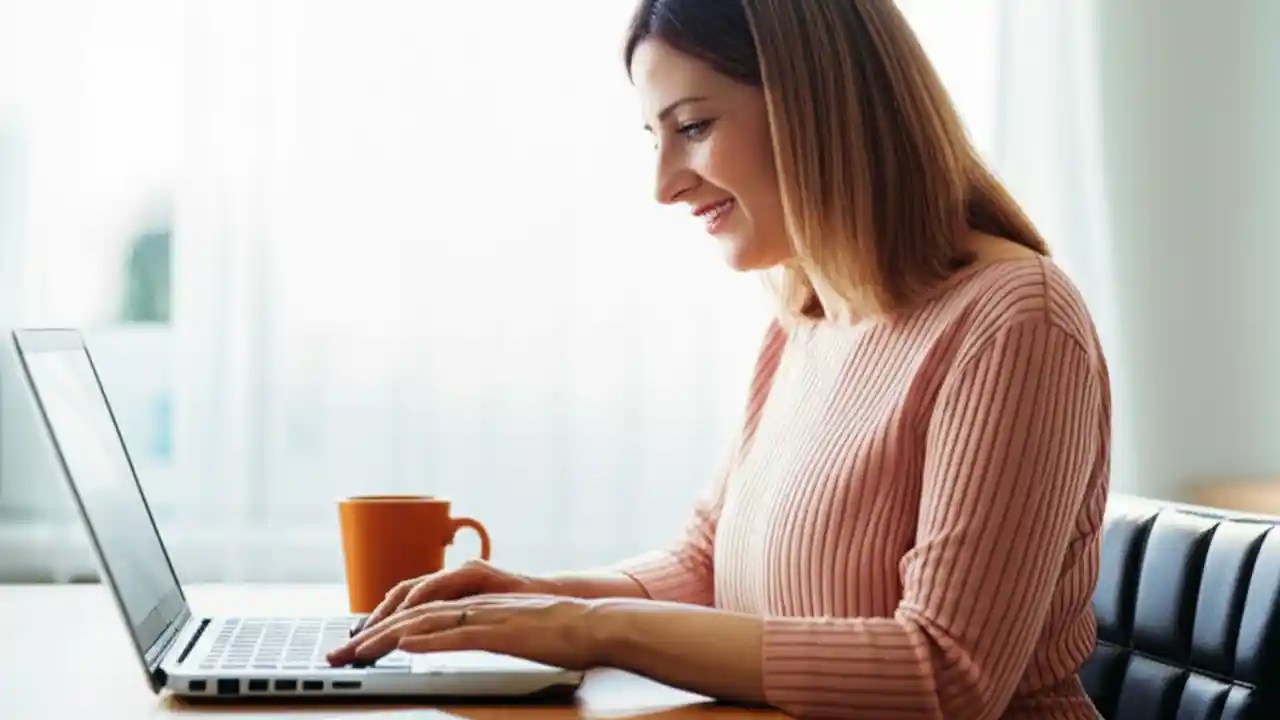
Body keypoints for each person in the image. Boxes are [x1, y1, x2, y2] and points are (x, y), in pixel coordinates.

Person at [328, 1, 1111, 717]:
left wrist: (598, 629)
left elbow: (945, 672)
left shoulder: (1014, 323)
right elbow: (710, 565)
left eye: (694, 128)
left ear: (821, 108)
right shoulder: (806, 313)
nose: (664, 185)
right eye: (655, 137)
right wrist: (535, 600)